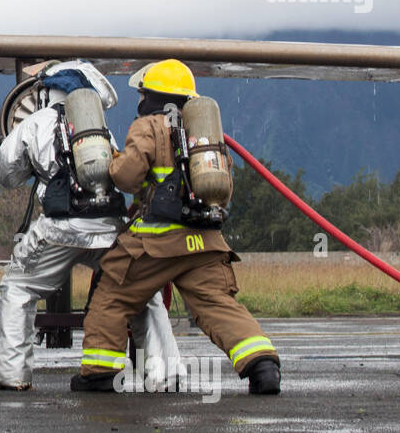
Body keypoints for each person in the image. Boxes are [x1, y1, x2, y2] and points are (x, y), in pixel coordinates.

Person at [73, 59, 281, 394]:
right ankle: (263, 365)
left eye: (143, 94)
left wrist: (111, 161)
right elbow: (222, 189)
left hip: (156, 244)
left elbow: (127, 177)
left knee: (111, 294)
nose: (140, 100)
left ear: (152, 96)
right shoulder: (204, 132)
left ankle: (98, 373)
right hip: (206, 242)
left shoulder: (150, 126)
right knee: (216, 303)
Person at [0, 60, 180, 391]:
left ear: (49, 92)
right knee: (140, 292)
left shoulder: (36, 122)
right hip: (109, 225)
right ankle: (164, 374)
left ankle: (11, 376)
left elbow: (7, 175)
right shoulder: (98, 128)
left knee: (18, 288)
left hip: (58, 229)